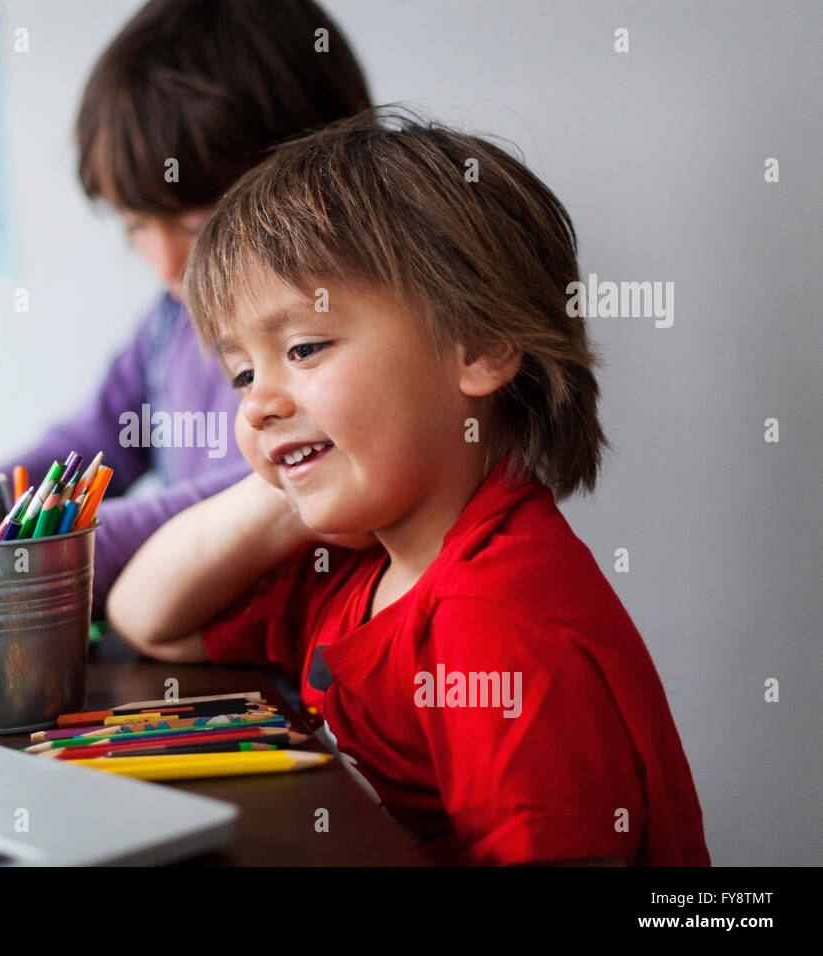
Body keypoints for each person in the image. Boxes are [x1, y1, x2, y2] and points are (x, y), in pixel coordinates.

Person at [107, 108, 711, 866]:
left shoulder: (494, 628)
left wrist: (310, 464)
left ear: (482, 345)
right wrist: (288, 488)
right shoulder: (361, 571)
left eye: (303, 347)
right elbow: (146, 619)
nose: (256, 403)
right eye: (242, 374)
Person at [0, 0, 373, 616]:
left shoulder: (331, 330)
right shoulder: (169, 320)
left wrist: (50, 549)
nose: (165, 264)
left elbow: (275, 485)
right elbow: (98, 436)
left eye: (196, 226)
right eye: (135, 229)